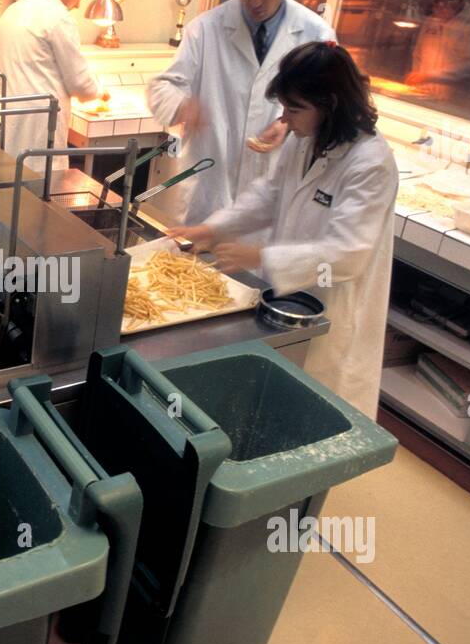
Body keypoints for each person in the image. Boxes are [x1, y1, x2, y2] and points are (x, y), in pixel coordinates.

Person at [168, 42, 397, 417]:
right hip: (289, 297)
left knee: (317, 413)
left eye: (295, 109)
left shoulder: (370, 163)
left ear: (331, 104)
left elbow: (349, 254)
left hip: (331, 306)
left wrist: (260, 257)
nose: (285, 119)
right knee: (277, 400)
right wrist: (212, 229)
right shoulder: (305, 139)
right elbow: (269, 196)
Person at [147, 0, 335, 225]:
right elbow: (162, 86)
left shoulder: (316, 35)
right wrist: (183, 105)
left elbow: (329, 106)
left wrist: (287, 123)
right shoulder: (205, 29)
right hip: (209, 192)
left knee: (254, 266)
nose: (256, 1)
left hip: (274, 198)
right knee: (191, 269)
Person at [0, 0, 108, 161]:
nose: (77, 4)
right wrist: (100, 92)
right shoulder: (58, 18)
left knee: (16, 180)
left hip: (12, 117)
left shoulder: (12, 11)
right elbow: (78, 82)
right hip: (41, 124)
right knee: (43, 186)